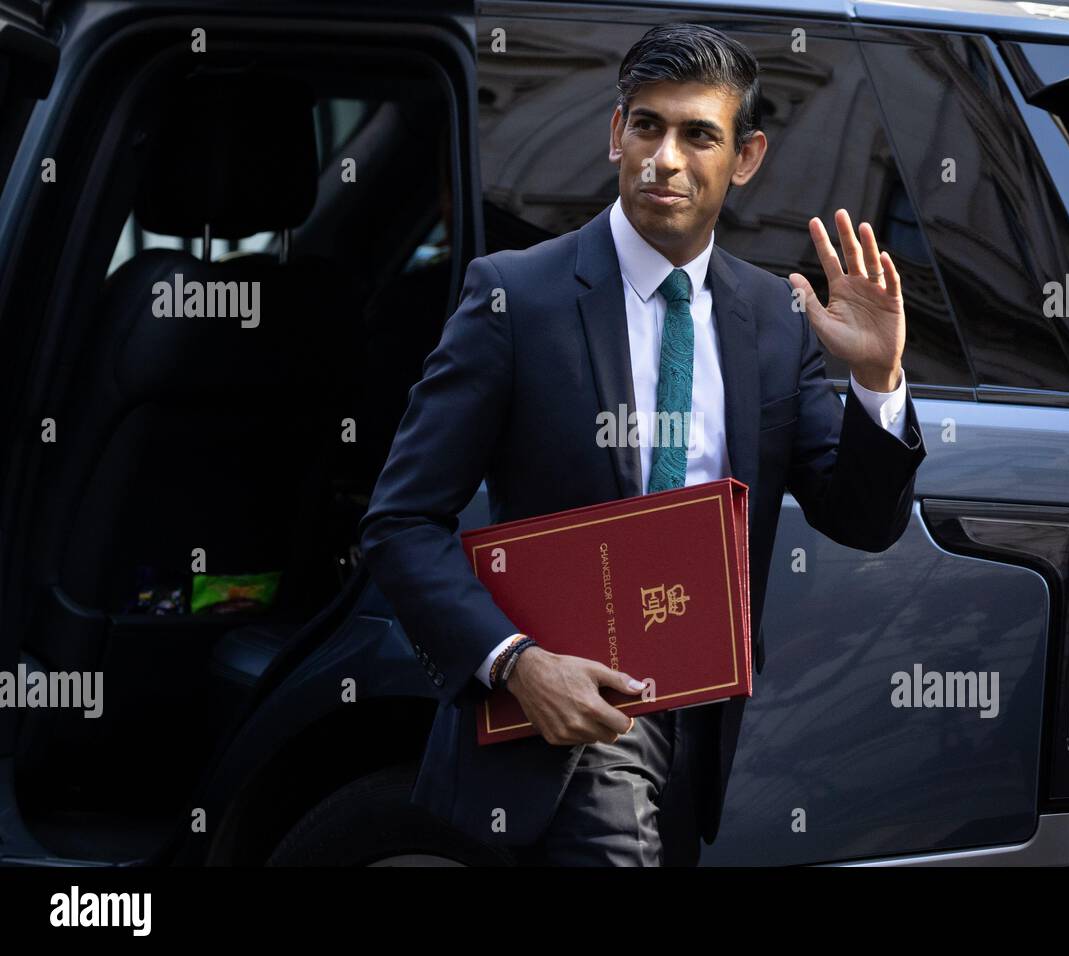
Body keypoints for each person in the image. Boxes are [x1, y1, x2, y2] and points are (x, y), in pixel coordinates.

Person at [359, 21, 927, 865]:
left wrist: (878, 380)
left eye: (698, 134)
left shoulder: (775, 319)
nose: (665, 158)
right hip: (560, 724)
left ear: (746, 158)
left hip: (698, 729)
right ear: (614, 133)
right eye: (646, 126)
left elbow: (863, 517)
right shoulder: (516, 297)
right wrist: (515, 664)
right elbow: (400, 523)